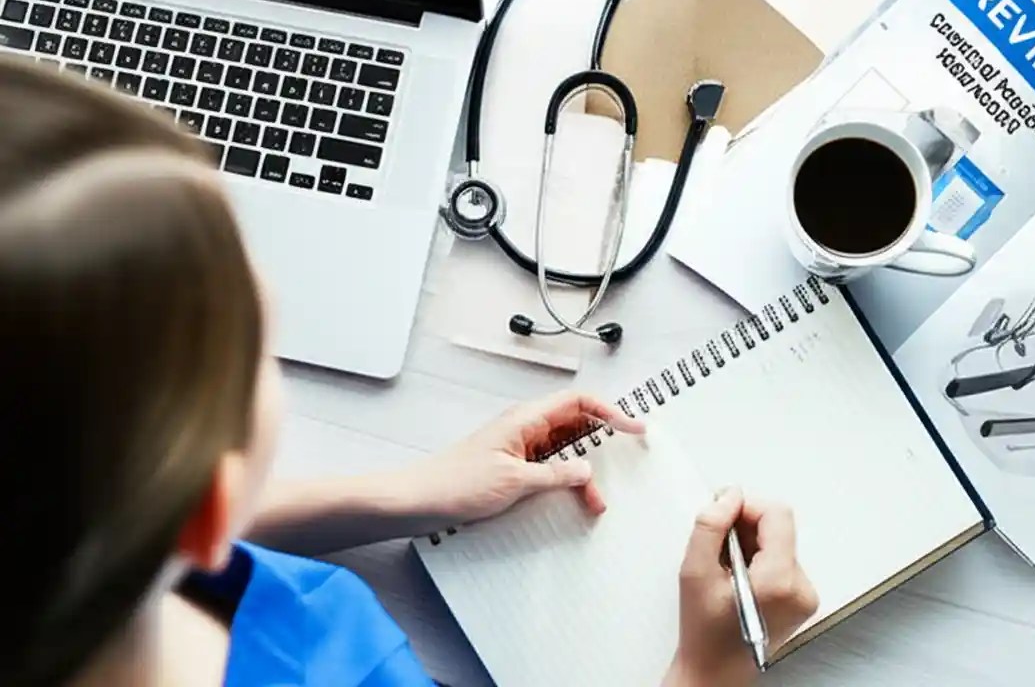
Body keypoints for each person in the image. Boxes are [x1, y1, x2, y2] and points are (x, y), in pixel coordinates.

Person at [0, 59, 818, 687]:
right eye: (260, 345)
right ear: (206, 507)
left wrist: (405, 493)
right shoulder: (338, 664)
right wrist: (711, 671)